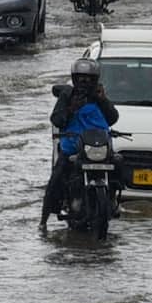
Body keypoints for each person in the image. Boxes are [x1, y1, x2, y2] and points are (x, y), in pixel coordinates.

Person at [41, 59, 119, 230]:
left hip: (97, 147)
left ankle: (113, 201)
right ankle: (43, 220)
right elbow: (57, 120)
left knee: (119, 164)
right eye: (81, 79)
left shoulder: (99, 96)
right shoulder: (67, 96)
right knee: (56, 177)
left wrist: (103, 100)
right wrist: (70, 109)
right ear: (74, 79)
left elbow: (113, 117)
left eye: (89, 79)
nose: (85, 83)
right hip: (71, 148)